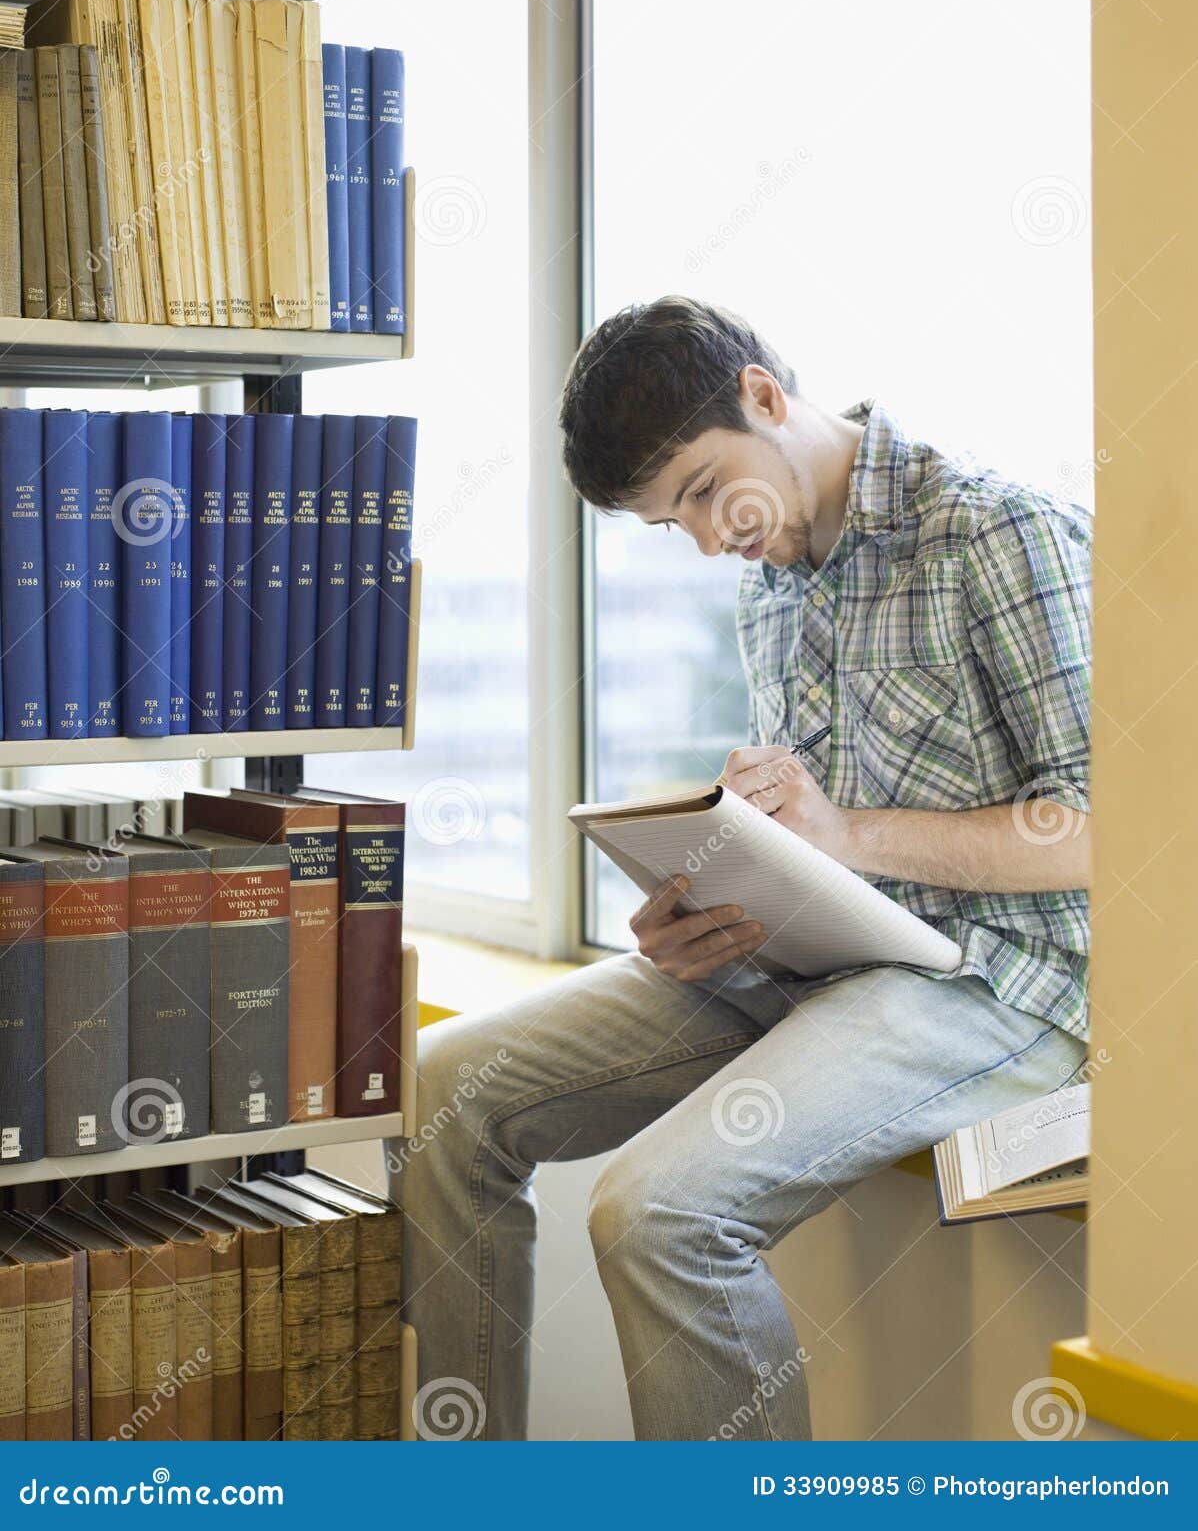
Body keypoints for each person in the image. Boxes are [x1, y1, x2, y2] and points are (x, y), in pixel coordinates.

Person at [400, 295, 1091, 1441]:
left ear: (765, 397)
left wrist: (849, 838)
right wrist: (709, 902)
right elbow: (813, 836)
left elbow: (1102, 823)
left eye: (707, 492)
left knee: (656, 1213)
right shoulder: (773, 577)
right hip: (825, 956)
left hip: (1002, 979)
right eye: (672, 523)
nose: (710, 540)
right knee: (437, 1097)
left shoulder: (995, 530)